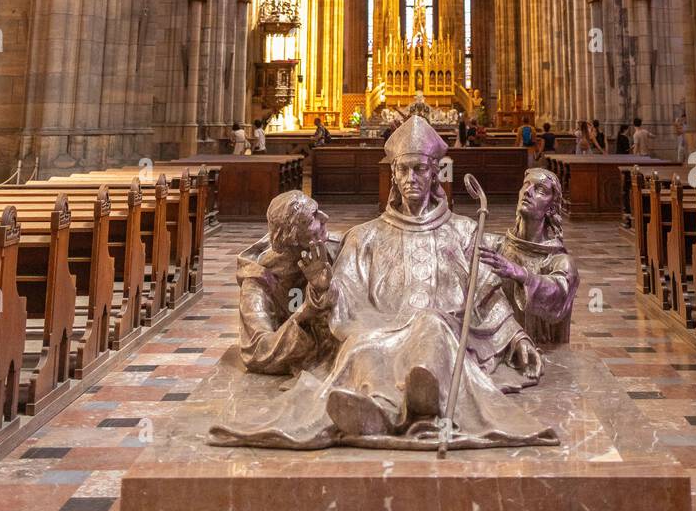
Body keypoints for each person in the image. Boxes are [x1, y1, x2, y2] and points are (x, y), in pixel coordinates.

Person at [209, 115, 555, 451]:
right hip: (376, 331)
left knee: (431, 328)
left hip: (437, 329)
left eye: (419, 169)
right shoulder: (365, 236)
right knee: (360, 344)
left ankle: (421, 395)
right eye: (402, 170)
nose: (410, 179)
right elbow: (341, 301)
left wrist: (515, 334)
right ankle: (381, 405)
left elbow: (486, 294)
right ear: (393, 175)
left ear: (435, 174)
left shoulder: (464, 231)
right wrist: (319, 286)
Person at [236, 191, 338, 374]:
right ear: (293, 236)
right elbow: (258, 352)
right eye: (312, 217)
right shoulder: (257, 285)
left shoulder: (331, 249)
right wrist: (307, 309)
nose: (325, 217)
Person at [480, 168, 580, 345]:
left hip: (541, 355)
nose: (528, 192)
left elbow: (557, 294)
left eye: (540, 189)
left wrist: (521, 274)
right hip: (495, 350)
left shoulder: (560, 262)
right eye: (526, 186)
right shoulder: (496, 247)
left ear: (551, 208)